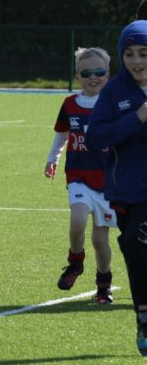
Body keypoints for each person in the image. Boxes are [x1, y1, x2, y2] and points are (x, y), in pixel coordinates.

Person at [87, 21, 147, 355]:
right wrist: (137, 118)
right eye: (129, 54)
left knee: (134, 242)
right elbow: (96, 138)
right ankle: (143, 317)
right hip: (128, 190)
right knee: (137, 252)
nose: (136, 61)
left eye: (143, 53)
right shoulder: (115, 91)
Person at [45, 47, 115, 303]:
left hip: (107, 181)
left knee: (100, 238)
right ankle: (75, 262)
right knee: (77, 219)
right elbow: (62, 135)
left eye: (100, 72)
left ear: (108, 74)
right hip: (79, 176)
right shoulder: (70, 104)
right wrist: (53, 159)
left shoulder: (113, 104)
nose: (93, 76)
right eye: (87, 72)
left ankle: (103, 284)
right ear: (78, 76)